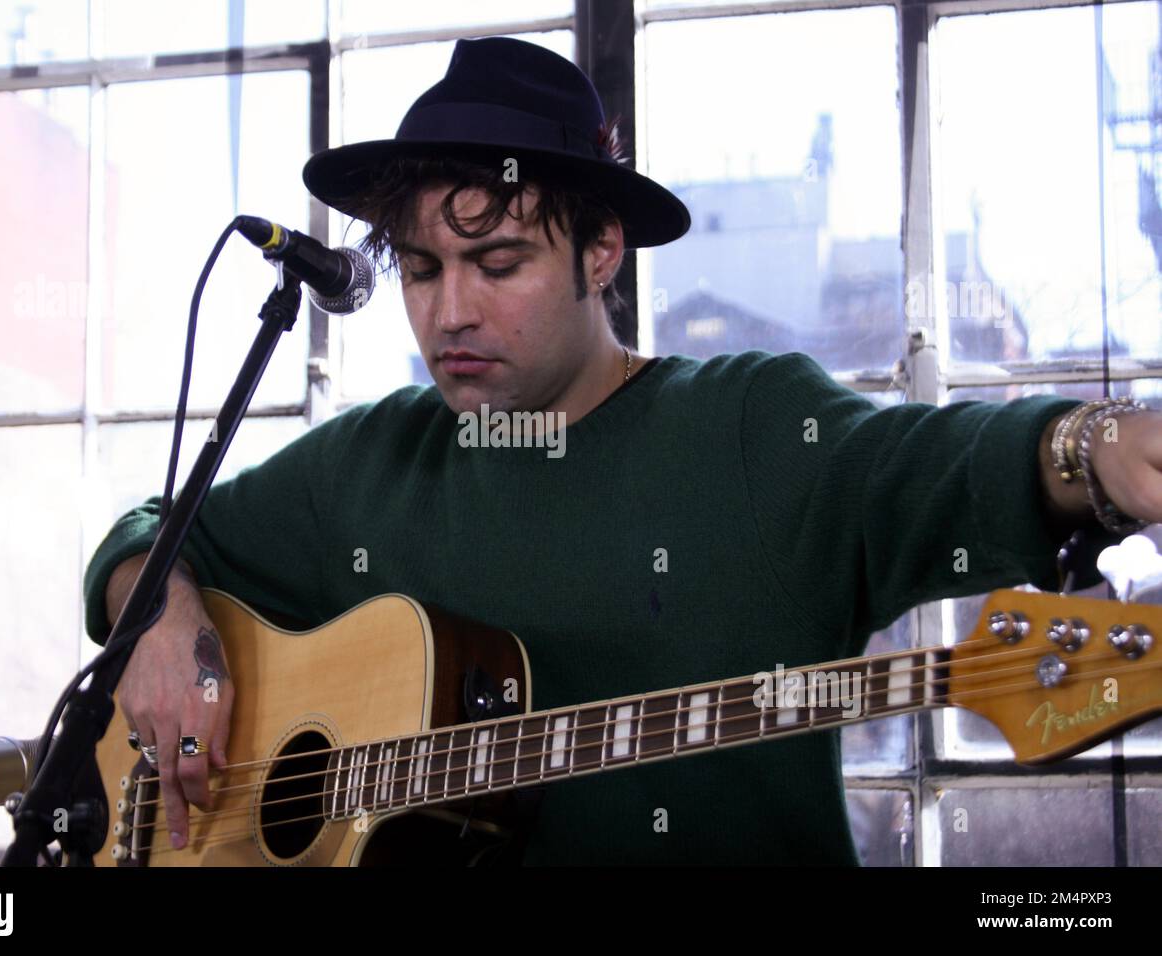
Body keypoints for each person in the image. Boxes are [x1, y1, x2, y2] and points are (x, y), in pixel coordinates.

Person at [82, 36, 1162, 865]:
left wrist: (1095, 444)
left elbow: (943, 463)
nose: (448, 311)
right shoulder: (369, 461)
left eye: (496, 262)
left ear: (602, 251)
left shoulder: (751, 427)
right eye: (419, 270)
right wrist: (161, 620)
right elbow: (148, 536)